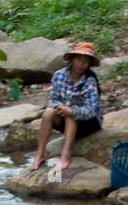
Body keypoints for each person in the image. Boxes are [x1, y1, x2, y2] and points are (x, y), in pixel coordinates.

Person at [28, 41, 104, 177]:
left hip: (89, 122)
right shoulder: (59, 75)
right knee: (48, 113)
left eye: (85, 62)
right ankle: (39, 155)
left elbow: (91, 110)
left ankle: (65, 155)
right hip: (65, 116)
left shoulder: (90, 81)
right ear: (73, 59)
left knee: (71, 114)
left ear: (89, 65)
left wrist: (71, 111)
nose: (82, 64)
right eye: (79, 60)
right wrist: (59, 108)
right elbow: (53, 100)